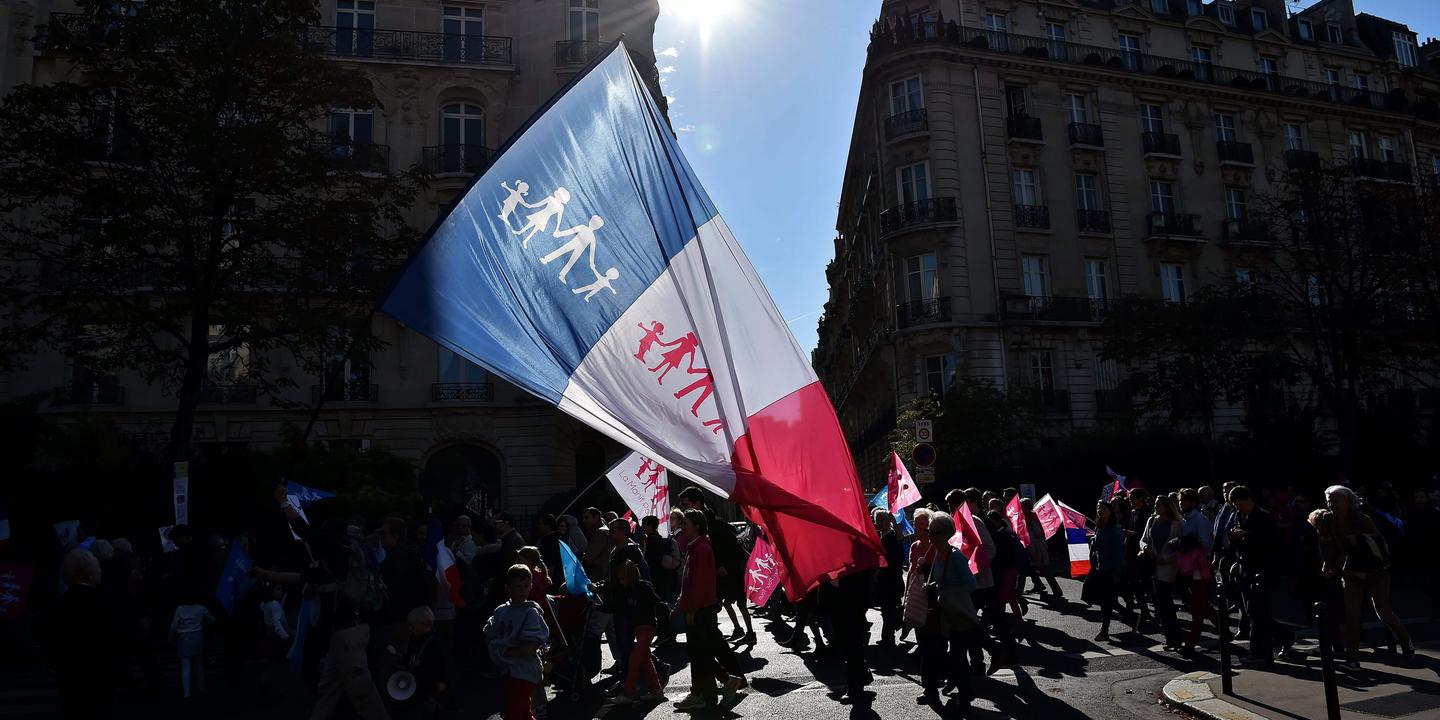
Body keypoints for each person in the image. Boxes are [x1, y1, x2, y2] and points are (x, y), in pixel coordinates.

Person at [253, 486, 390, 720]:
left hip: (348, 633)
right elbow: (299, 577)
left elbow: (304, 531)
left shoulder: (336, 554)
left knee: (362, 690)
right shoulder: (334, 562)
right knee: (329, 689)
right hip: (343, 633)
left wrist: (284, 502)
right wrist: (265, 573)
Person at [1316, 485, 1414, 669]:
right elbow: (1326, 546)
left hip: (1375, 572)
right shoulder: (1327, 520)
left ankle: (1406, 642)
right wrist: (1328, 563)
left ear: (1347, 502)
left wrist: (1359, 540)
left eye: (1335, 501)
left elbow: (1380, 544)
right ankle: (1352, 658)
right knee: (1351, 616)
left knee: (1383, 612)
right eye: (1329, 500)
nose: (1331, 504)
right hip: (1351, 573)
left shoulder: (1362, 519)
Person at [671, 509, 747, 711]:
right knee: (699, 654)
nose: (682, 526)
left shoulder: (701, 549)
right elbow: (688, 583)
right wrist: (681, 606)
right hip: (698, 608)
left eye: (685, 523)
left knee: (700, 654)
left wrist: (691, 610)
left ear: (697, 526)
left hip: (701, 610)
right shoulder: (695, 547)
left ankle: (719, 683)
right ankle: (707, 692)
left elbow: (700, 584)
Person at [1229, 485, 1296, 668]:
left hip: (1261, 570)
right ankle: (1284, 636)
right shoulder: (1238, 516)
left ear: (1249, 499)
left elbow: (1271, 544)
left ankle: (1260, 654)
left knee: (1257, 613)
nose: (1238, 507)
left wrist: (1247, 535)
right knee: (1255, 612)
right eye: (1235, 504)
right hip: (1244, 569)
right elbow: (1236, 542)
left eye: (1240, 503)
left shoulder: (1264, 517)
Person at [918, 512, 978, 711]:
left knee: (958, 656)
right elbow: (940, 580)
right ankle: (962, 689)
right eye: (929, 531)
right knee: (943, 654)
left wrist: (946, 591)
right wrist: (933, 586)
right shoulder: (936, 555)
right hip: (945, 614)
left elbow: (971, 584)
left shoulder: (956, 557)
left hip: (958, 613)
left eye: (933, 532)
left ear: (945, 534)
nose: (930, 535)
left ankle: (965, 697)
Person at [678, 487, 754, 643]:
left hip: (729, 573)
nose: (683, 509)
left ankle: (750, 633)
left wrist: (724, 566)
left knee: (739, 604)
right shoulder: (695, 527)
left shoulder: (717, 525)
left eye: (686, 505)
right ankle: (736, 630)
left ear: (697, 503)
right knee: (719, 604)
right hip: (713, 575)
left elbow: (735, 551)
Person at [48, 549, 117, 719]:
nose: (100, 571)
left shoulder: (59, 603)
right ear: (89, 572)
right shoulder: (101, 601)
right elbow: (110, 638)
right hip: (96, 675)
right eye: (97, 567)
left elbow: (50, 639)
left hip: (68, 675)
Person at [484, 565, 550, 720]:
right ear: (508, 587)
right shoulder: (501, 610)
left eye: (526, 586)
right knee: (521, 711)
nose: (522, 590)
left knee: (515, 710)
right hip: (508, 669)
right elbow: (489, 632)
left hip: (526, 670)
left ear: (531, 586)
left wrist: (505, 652)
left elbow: (530, 647)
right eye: (518, 586)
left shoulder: (531, 612)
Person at [610, 560, 667, 705]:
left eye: (622, 578)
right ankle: (656, 691)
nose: (621, 582)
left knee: (634, 659)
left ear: (629, 576)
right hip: (642, 628)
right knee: (645, 660)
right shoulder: (630, 589)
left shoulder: (643, 587)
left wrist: (664, 620)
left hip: (647, 627)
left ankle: (629, 693)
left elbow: (658, 603)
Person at [1140, 494, 1184, 650]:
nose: (1156, 506)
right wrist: (1146, 548)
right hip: (1153, 565)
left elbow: (1180, 546)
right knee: (1160, 603)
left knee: (1165, 602)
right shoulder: (1152, 520)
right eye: (1155, 504)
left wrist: (1168, 558)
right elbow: (1144, 539)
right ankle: (1170, 636)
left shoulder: (1177, 524)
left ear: (1167, 506)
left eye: (1159, 504)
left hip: (1168, 566)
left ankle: (1175, 637)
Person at [1089, 501, 1126, 641]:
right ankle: (1133, 617)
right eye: (1099, 508)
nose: (1100, 510)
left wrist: (1117, 573)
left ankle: (1104, 631)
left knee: (1106, 602)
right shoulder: (1099, 527)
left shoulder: (1114, 529)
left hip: (1110, 570)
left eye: (1103, 508)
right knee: (1108, 601)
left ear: (1110, 511)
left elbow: (1118, 553)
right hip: (1100, 569)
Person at [170, 591, 215, 699]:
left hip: (184, 638)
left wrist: (170, 638)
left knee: (186, 665)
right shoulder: (201, 608)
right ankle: (201, 688)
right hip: (197, 637)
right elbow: (212, 620)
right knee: (198, 663)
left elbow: (174, 627)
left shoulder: (179, 609)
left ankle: (187, 692)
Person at [873, 508, 905, 648]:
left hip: (892, 580)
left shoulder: (892, 535)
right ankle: (888, 636)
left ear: (888, 521)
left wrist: (894, 522)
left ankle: (889, 638)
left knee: (889, 610)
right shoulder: (880, 536)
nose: (879, 522)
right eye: (877, 519)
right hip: (884, 580)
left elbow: (900, 539)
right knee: (887, 611)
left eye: (882, 519)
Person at [1020, 498, 1063, 597]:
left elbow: (1037, 532)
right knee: (1040, 569)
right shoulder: (1027, 516)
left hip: (1037, 547)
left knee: (1045, 569)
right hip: (1032, 547)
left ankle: (1057, 591)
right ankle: (1050, 589)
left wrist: (1028, 531)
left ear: (1026, 507)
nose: (1020, 508)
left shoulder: (1031, 517)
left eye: (1022, 506)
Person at [640, 515, 682, 602]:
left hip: (656, 579)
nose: (642, 527)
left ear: (650, 525)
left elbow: (652, 562)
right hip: (663, 579)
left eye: (644, 524)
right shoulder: (657, 539)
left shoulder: (653, 541)